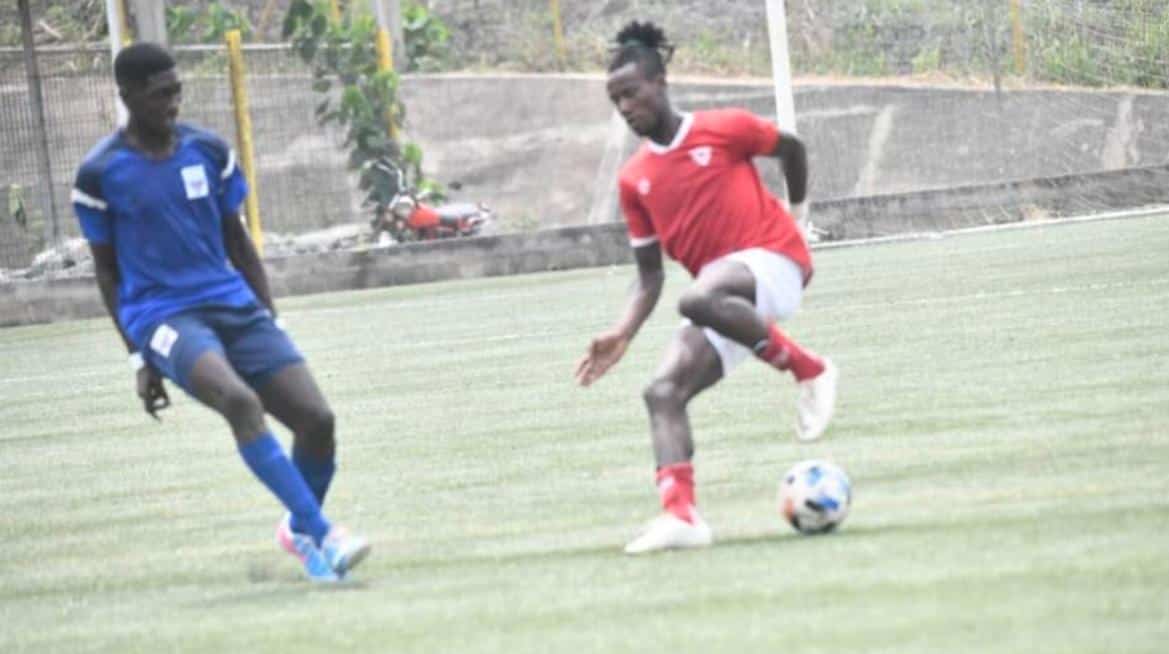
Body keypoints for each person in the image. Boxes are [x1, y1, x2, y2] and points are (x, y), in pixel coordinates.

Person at [72, 43, 369, 582]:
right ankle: (321, 533)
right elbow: (107, 273)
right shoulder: (99, 174)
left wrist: (271, 318)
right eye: (161, 94)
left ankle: (297, 530)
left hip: (231, 302)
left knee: (318, 421)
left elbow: (238, 242)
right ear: (128, 96)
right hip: (160, 316)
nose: (173, 103)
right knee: (238, 399)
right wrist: (138, 358)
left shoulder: (206, 151)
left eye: (177, 91)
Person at [575, 21, 838, 554]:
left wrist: (798, 211)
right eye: (615, 99)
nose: (624, 107)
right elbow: (649, 277)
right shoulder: (634, 180)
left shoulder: (721, 128)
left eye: (632, 92)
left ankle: (810, 369)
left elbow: (791, 148)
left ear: (661, 82)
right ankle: (682, 516)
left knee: (696, 297)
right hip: (729, 303)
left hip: (775, 264)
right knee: (663, 392)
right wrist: (622, 332)